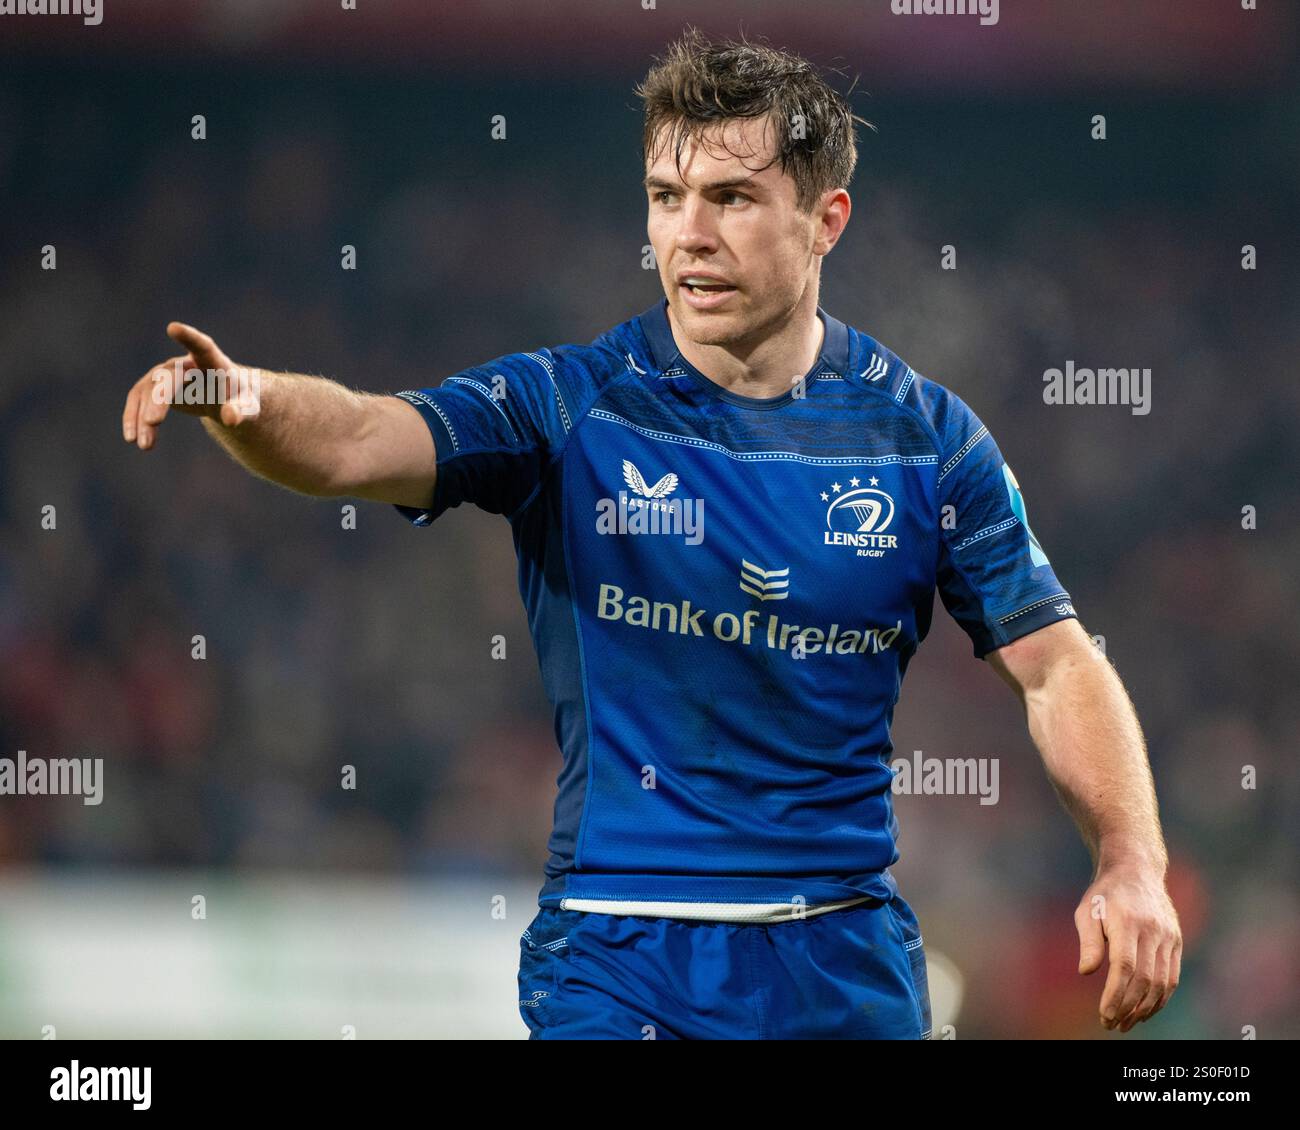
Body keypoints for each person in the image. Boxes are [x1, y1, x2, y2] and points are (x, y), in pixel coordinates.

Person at [121, 27, 1181, 1040]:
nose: (688, 233)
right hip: (618, 954)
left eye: (731, 198)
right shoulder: (567, 404)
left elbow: (1054, 668)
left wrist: (1130, 859)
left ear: (826, 219)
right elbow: (358, 436)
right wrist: (247, 394)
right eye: (666, 198)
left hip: (841, 959)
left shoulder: (924, 440)